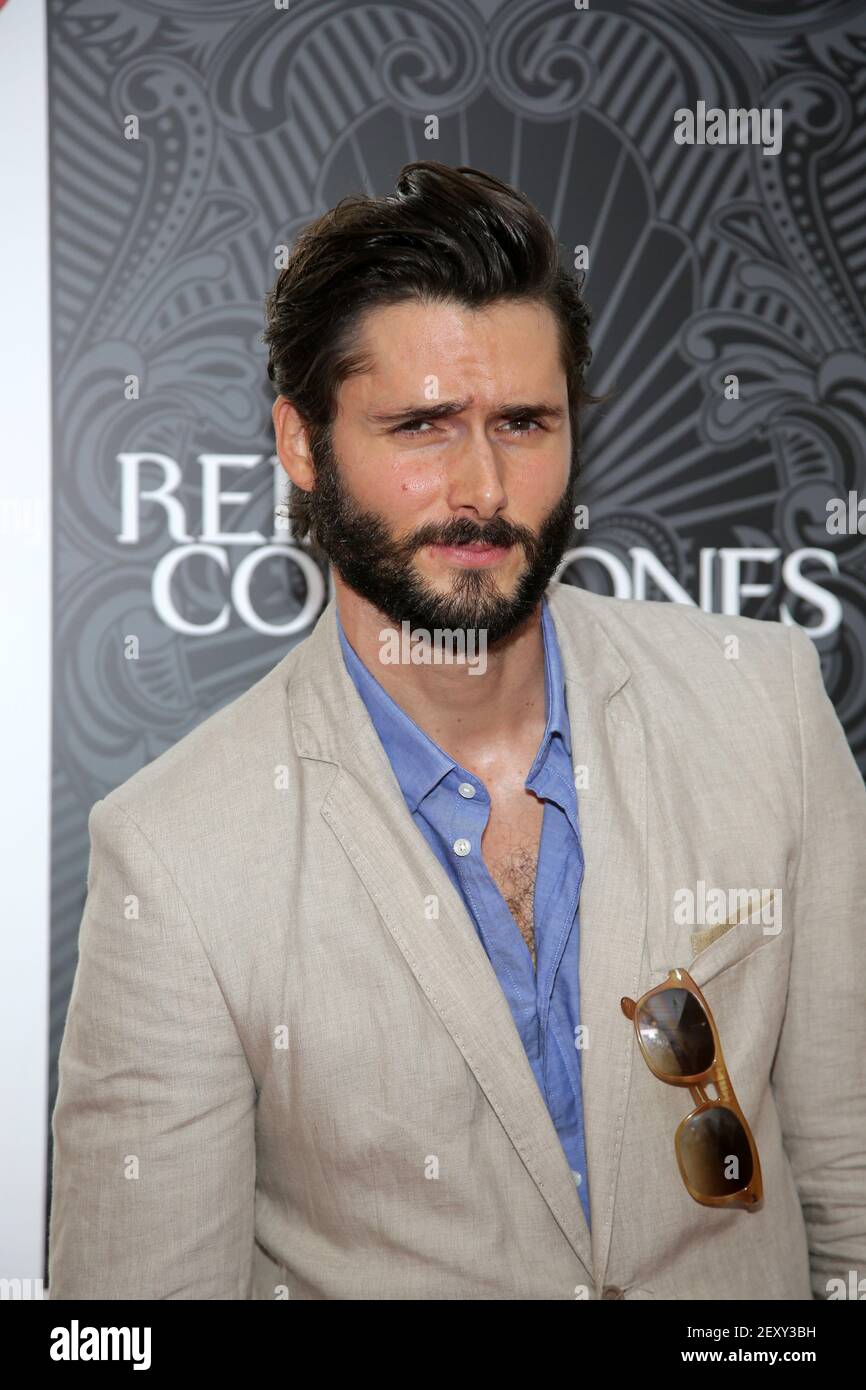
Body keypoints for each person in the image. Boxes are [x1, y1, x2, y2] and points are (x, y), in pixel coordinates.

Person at [49, 162, 866, 1301]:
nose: (482, 485)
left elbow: (850, 1193)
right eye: (423, 424)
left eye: (523, 422)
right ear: (300, 442)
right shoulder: (176, 857)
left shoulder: (762, 708)